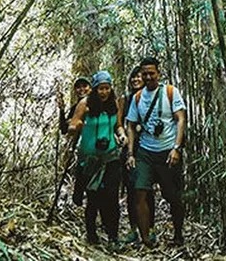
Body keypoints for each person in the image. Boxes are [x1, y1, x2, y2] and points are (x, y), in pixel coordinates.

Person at [125, 57, 187, 247]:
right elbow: (131, 125)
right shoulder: (137, 97)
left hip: (167, 152)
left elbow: (181, 119)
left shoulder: (170, 92)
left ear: (158, 73)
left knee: (173, 197)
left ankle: (178, 234)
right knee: (140, 192)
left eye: (152, 73)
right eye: (145, 73)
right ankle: (146, 238)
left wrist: (177, 148)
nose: (148, 76)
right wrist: (131, 154)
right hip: (145, 152)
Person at [68, 70, 128, 247]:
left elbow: (118, 125)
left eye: (106, 88)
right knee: (93, 198)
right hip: (90, 159)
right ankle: (91, 234)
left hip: (110, 156)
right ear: (94, 89)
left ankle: (113, 236)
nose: (103, 92)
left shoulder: (115, 104)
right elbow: (74, 123)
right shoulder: (85, 103)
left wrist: (122, 135)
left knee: (111, 198)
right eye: (100, 89)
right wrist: (75, 126)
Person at [121, 65, 155, 244]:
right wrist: (123, 136)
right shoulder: (126, 99)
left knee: (146, 190)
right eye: (132, 78)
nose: (135, 80)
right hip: (129, 149)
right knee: (131, 189)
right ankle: (134, 228)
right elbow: (119, 123)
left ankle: (150, 228)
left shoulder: (153, 97)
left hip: (149, 149)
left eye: (138, 77)